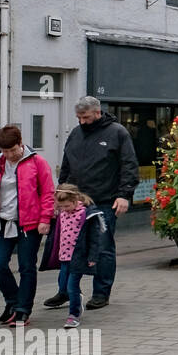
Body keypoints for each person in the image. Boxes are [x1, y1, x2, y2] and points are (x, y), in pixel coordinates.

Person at [46, 98, 136, 312]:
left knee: (102, 247)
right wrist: (61, 193)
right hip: (74, 201)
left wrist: (124, 195)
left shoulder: (117, 132)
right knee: (67, 246)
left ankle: (101, 293)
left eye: (85, 117)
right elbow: (66, 163)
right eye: (79, 118)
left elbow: (129, 165)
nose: (82, 122)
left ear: (97, 113)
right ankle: (66, 290)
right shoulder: (76, 134)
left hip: (104, 200)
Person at [0, 125, 55, 326]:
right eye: (5, 151)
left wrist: (45, 219)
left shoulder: (37, 162)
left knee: (26, 267)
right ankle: (13, 302)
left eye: (13, 150)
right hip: (3, 222)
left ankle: (23, 310)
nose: (9, 155)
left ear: (20, 144)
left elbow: (48, 192)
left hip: (29, 224)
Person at [47, 184, 107, 328]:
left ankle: (74, 315)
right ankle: (76, 298)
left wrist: (92, 257)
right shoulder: (61, 214)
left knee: (71, 286)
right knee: (63, 285)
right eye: (61, 207)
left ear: (75, 201)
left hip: (78, 257)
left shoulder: (86, 215)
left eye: (67, 206)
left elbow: (94, 238)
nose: (64, 209)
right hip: (64, 257)